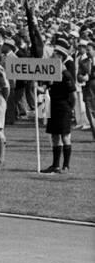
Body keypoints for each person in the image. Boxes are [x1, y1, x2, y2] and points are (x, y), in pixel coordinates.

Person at [42, 36, 78, 174]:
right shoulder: (52, 73)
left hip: (64, 107)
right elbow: (44, 88)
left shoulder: (65, 74)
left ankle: (66, 166)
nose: (52, 55)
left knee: (65, 136)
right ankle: (55, 165)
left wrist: (71, 108)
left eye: (54, 54)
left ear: (60, 57)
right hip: (54, 106)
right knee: (55, 136)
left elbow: (73, 95)